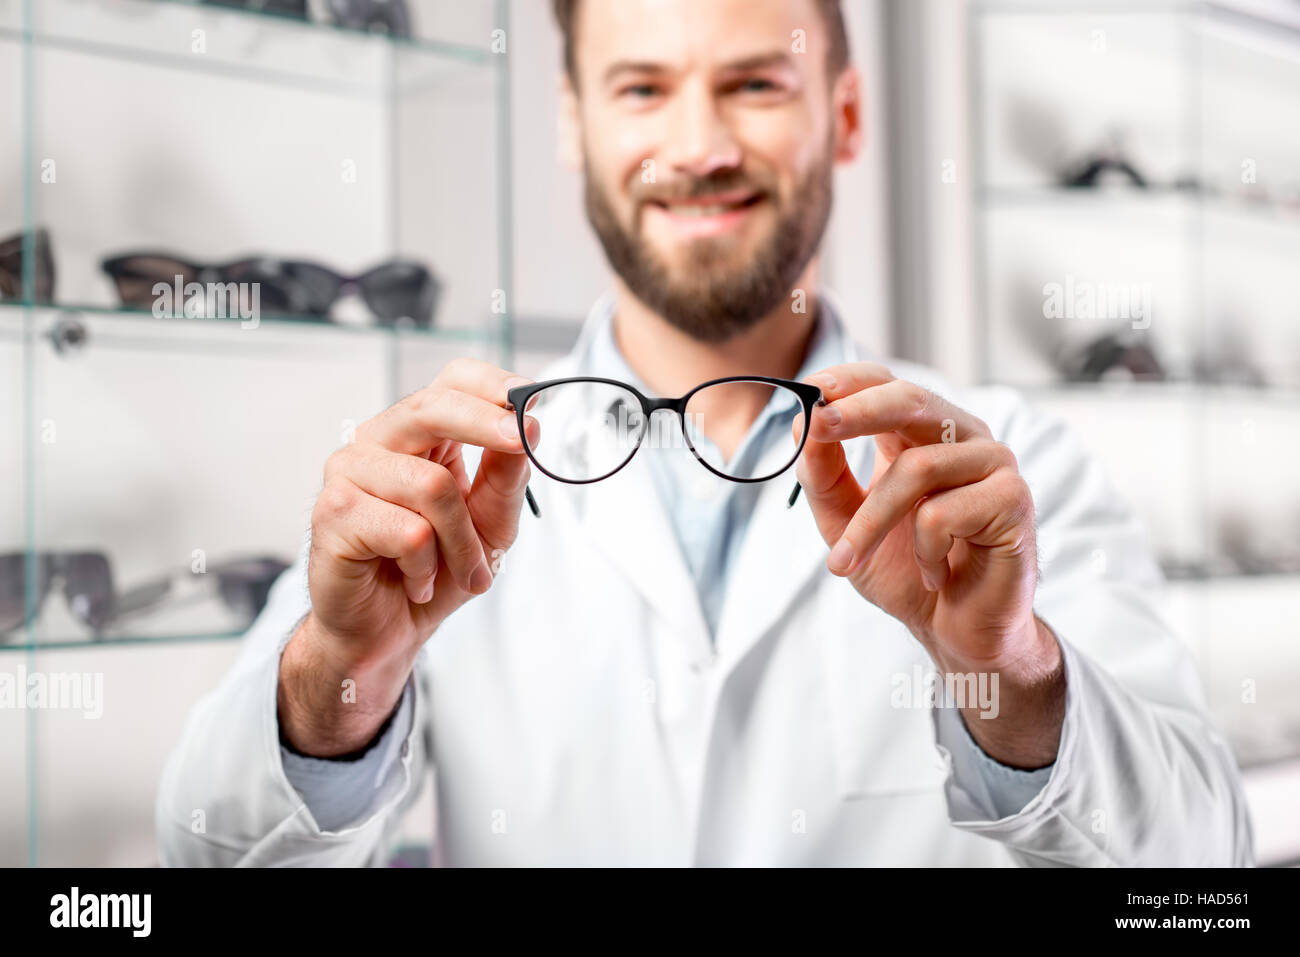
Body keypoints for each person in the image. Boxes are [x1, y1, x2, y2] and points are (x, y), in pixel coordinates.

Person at [157, 0, 1252, 866]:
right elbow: (210, 854)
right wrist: (339, 675)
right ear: (572, 125)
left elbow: (1197, 870)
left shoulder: (1014, 470)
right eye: (641, 87)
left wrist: (1011, 679)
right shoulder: (433, 474)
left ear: (847, 112)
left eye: (756, 84)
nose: (699, 145)